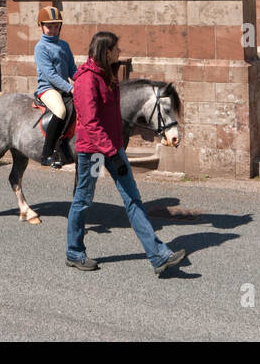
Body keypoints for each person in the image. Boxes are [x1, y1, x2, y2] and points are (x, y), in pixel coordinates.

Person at [65, 31, 187, 277]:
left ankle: (158, 255)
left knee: (133, 200)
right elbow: (90, 123)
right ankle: (74, 252)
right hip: (94, 153)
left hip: (113, 148)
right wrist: (112, 153)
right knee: (83, 200)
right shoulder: (87, 80)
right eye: (116, 49)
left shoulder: (108, 75)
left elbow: (113, 116)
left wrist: (119, 148)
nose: (120, 52)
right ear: (105, 51)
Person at [35, 5, 76, 168]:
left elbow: (72, 69)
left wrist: (82, 81)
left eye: (56, 27)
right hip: (47, 88)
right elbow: (50, 74)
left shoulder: (64, 45)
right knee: (60, 111)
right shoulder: (40, 47)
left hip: (64, 87)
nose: (53, 30)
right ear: (41, 26)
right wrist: (70, 88)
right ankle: (47, 153)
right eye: (49, 27)